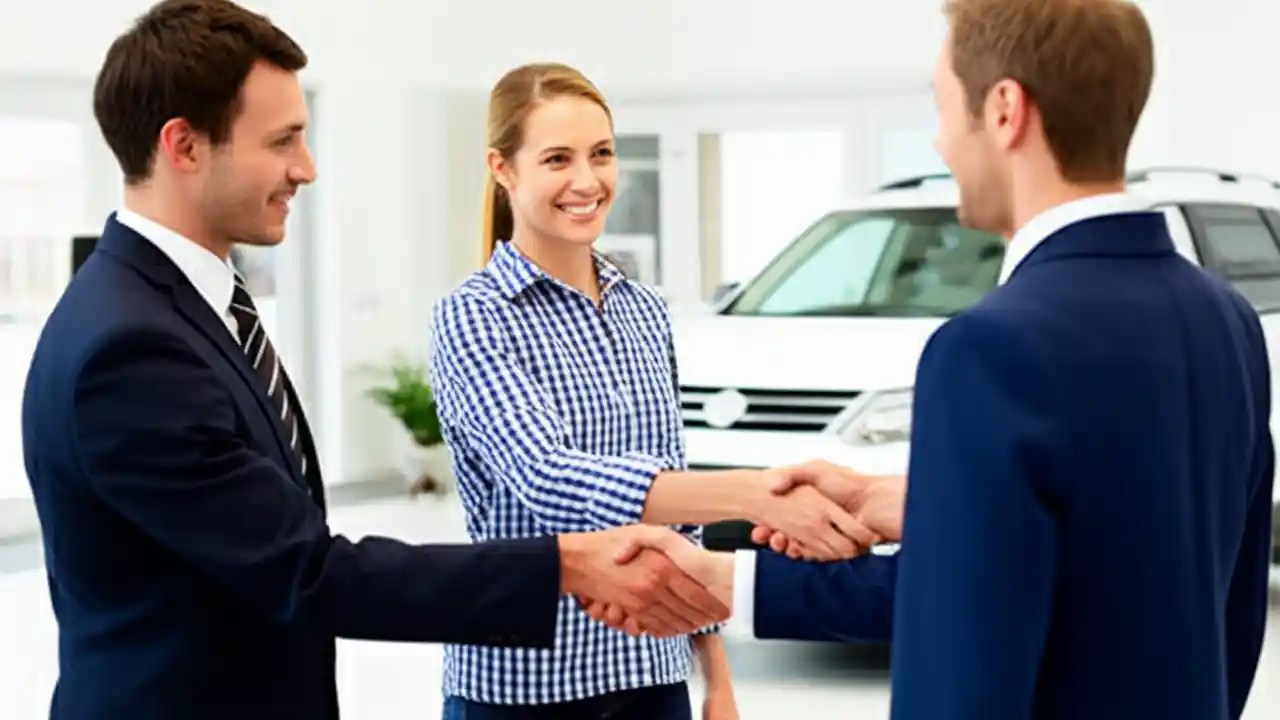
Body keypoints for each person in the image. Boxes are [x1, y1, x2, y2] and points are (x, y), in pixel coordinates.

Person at [19, 3, 728, 719]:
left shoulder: (183, 308)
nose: (307, 168)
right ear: (185, 146)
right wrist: (570, 565)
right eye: (284, 140)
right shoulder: (129, 345)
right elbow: (307, 570)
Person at [612, 1, 1276, 718]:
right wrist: (910, 502)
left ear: (1003, 110)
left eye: (941, 107)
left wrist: (723, 584)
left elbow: (960, 657)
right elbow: (1220, 609)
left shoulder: (989, 349)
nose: (938, 143)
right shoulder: (1226, 319)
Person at [427, 62, 879, 719]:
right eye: (557, 158)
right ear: (503, 169)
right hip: (523, 684)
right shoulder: (474, 315)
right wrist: (758, 493)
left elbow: (679, 505)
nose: (587, 181)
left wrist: (716, 677)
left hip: (650, 672)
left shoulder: (643, 310)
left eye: (601, 154)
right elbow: (546, 477)